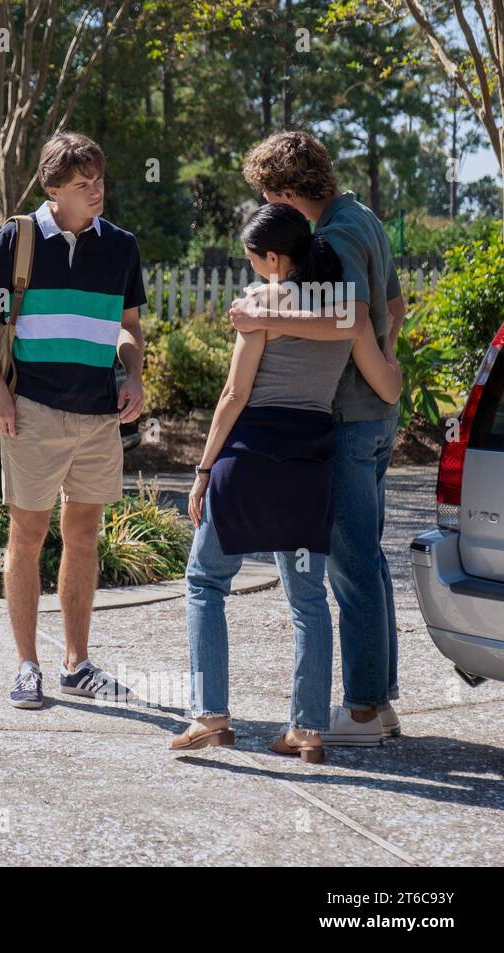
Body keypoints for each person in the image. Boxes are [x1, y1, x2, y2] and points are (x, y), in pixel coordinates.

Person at [170, 203, 401, 763]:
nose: (251, 268)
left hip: (249, 457)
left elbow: (234, 396)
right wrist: (386, 339)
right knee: (307, 599)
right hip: (311, 459)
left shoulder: (259, 304)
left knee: (204, 581)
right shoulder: (346, 313)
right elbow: (389, 389)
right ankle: (307, 730)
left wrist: (202, 472)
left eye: (253, 259)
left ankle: (211, 718)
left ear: (274, 257)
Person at [233, 131, 407, 746]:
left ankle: (361, 713)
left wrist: (261, 316)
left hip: (349, 420)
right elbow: (395, 305)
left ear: (286, 191)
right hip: (377, 415)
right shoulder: (362, 215)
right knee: (370, 558)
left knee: (352, 564)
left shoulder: (332, 235)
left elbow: (350, 317)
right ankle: (379, 704)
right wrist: (386, 368)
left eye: (268, 194)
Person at [0, 132, 146, 709]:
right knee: (27, 535)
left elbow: (129, 327)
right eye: (82, 185)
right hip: (33, 411)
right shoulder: (17, 239)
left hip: (98, 416)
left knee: (84, 535)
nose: (97, 192)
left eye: (99, 180)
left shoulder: (121, 246)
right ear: (53, 188)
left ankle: (77, 665)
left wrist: (134, 372)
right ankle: (26, 666)